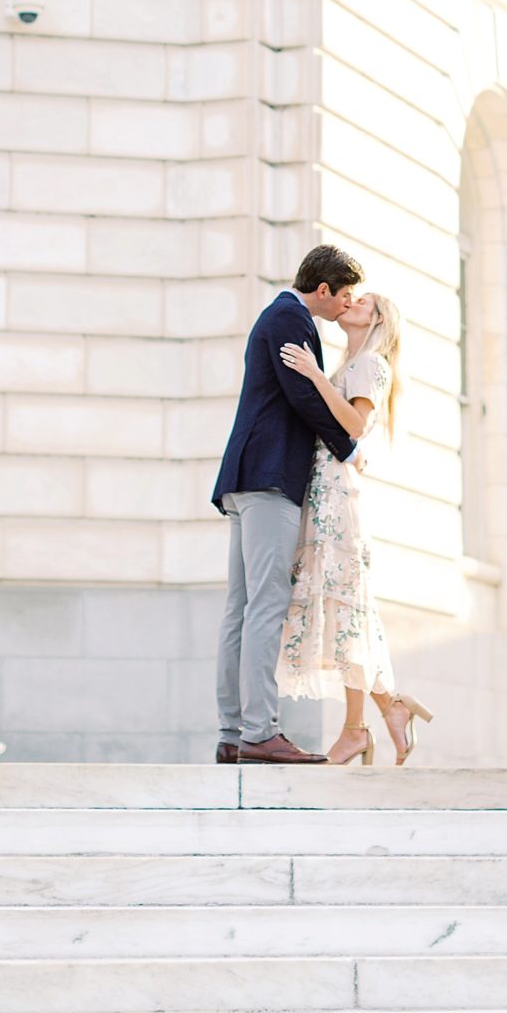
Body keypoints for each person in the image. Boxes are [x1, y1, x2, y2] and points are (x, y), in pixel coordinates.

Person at [211, 244, 365, 764]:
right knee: (265, 607)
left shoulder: (282, 316)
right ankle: (258, 731)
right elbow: (304, 399)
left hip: (249, 476)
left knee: (241, 608)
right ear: (322, 290)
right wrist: (350, 448)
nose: (346, 306)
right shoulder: (289, 319)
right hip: (270, 476)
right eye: (344, 297)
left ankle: (234, 732)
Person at [276, 290, 434, 766]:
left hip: (338, 497)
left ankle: (356, 728)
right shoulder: (352, 362)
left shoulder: (370, 365)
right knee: (341, 604)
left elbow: (351, 426)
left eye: (364, 300)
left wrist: (313, 377)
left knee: (344, 605)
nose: (352, 302)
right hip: (327, 489)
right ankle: (388, 708)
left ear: (379, 317)